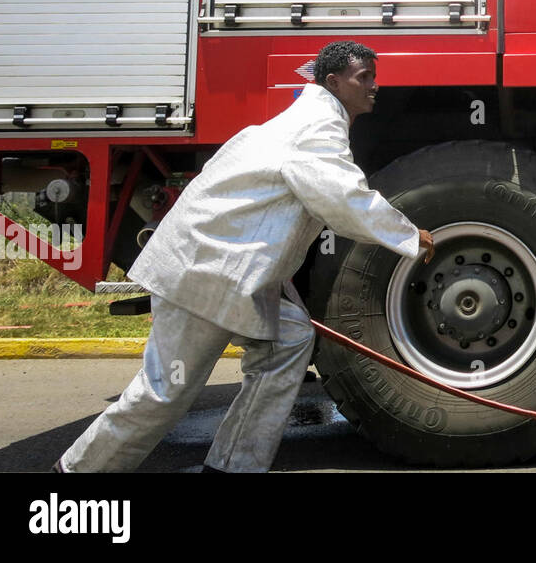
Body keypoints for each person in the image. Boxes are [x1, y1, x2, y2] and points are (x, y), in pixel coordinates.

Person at [55, 40, 433, 473]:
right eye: (363, 77)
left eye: (373, 76)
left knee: (289, 341)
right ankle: (74, 472)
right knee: (163, 393)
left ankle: (233, 465)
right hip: (203, 274)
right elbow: (345, 199)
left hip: (217, 272)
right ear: (333, 82)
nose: (373, 86)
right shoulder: (316, 128)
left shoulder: (304, 122)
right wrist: (408, 235)